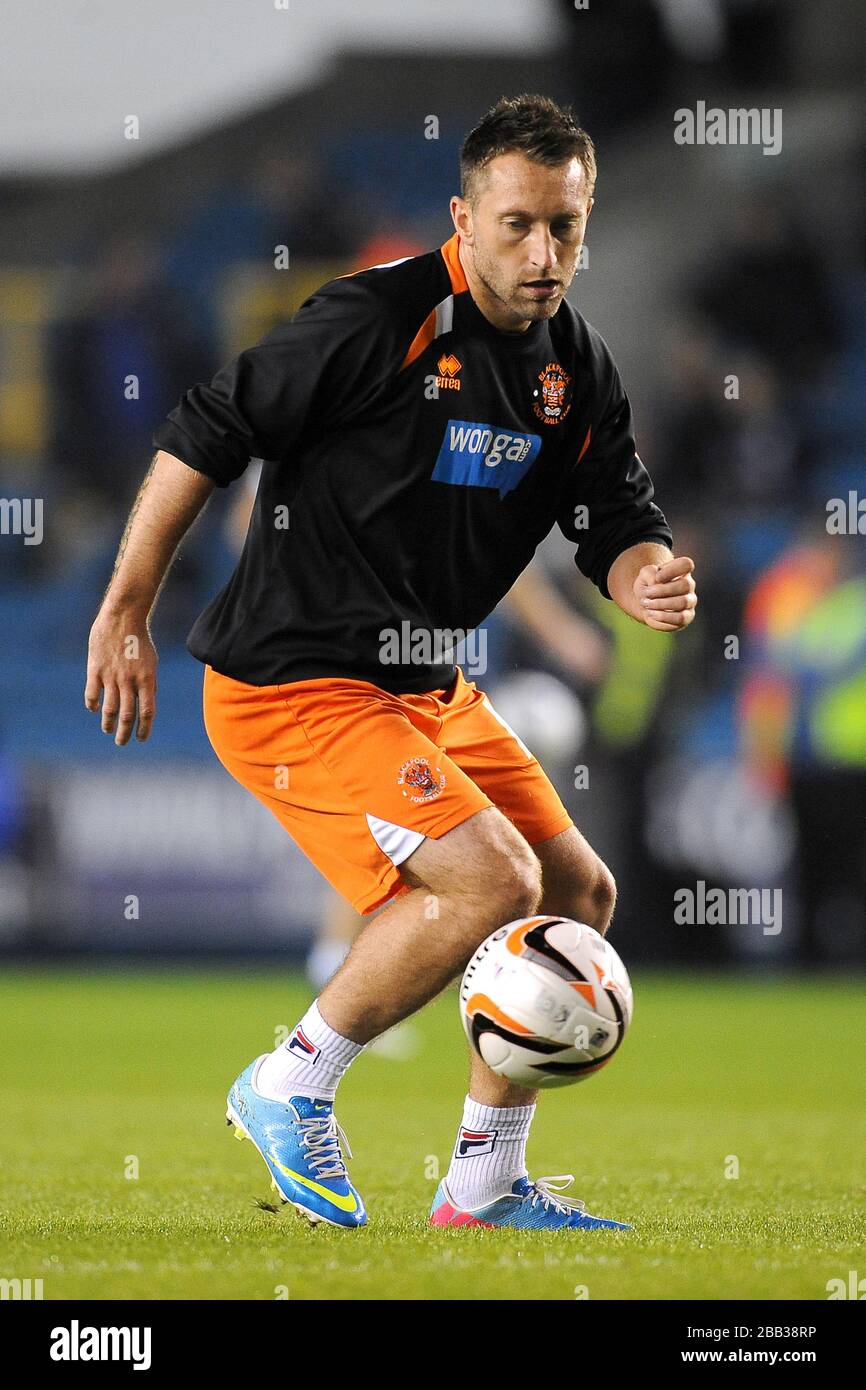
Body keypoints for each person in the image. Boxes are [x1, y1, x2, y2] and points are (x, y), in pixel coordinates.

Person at [85, 94, 697, 1232]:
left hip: (423, 684)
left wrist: (642, 571)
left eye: (565, 226)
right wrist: (126, 605)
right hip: (292, 679)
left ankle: (481, 1183)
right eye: (516, 224)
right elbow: (207, 428)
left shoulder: (577, 367)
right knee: (492, 881)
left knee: (575, 894)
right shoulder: (374, 319)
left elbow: (612, 516)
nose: (542, 253)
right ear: (461, 218)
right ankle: (290, 1079)